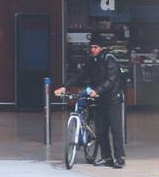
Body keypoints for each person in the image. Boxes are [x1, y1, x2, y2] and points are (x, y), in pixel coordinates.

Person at [54, 36, 126, 168]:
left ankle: (119, 158)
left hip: (112, 99)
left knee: (115, 129)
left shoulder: (109, 59)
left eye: (95, 47)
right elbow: (80, 75)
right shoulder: (91, 60)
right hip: (98, 99)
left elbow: (111, 80)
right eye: (91, 47)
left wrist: (97, 90)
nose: (92, 49)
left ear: (101, 48)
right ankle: (106, 157)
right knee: (101, 130)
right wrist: (65, 86)